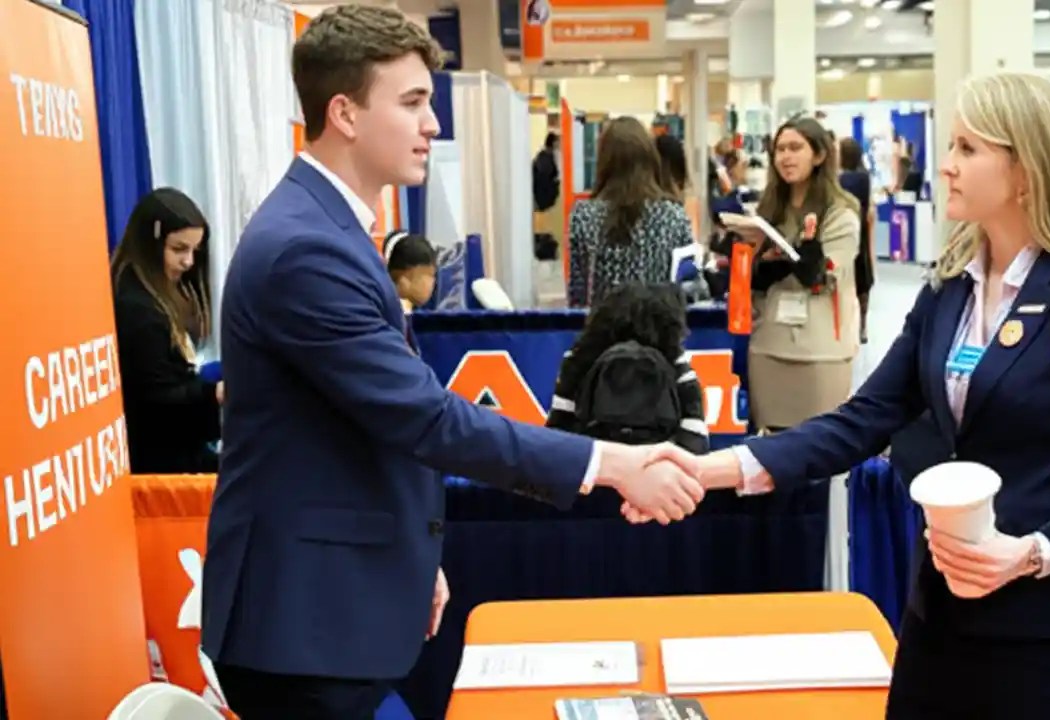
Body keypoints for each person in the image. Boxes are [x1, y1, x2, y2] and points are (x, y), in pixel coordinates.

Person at [201, 7, 703, 719]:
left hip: (336, 600)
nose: (433, 123)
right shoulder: (304, 249)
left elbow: (362, 422)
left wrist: (405, 555)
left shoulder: (329, 227)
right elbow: (425, 417)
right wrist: (614, 464)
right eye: (410, 103)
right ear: (343, 112)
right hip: (302, 629)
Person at [644, 73, 1050, 719]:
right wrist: (717, 468)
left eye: (967, 148)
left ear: (1026, 170)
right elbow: (865, 418)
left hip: (1034, 632)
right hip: (933, 618)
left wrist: (1031, 553)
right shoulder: (950, 288)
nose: (946, 167)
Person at [744, 117, 861, 432]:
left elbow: (826, 276)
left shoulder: (841, 212)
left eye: (795, 148)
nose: (785, 157)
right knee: (769, 452)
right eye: (780, 149)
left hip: (820, 352)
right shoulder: (768, 210)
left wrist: (810, 261)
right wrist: (758, 266)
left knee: (816, 451)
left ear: (819, 155)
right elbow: (752, 281)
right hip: (769, 347)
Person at [111, 188, 222, 474]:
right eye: (179, 249)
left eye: (193, 251)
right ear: (151, 243)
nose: (188, 262)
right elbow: (158, 407)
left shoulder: (149, 294)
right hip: (161, 465)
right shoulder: (137, 310)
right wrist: (217, 394)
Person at [547, 283, 709, 455]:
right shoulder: (675, 360)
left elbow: (558, 432)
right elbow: (695, 436)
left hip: (597, 470)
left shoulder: (579, 359)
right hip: (661, 470)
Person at [567, 116, 695, 307]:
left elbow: (578, 294)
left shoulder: (583, 217)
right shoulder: (674, 216)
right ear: (650, 157)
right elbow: (688, 289)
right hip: (658, 330)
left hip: (604, 330)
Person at [839, 137, 875, 344]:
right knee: (863, 278)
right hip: (860, 230)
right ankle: (862, 325)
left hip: (847, 230)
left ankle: (850, 324)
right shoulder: (864, 177)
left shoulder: (843, 179)